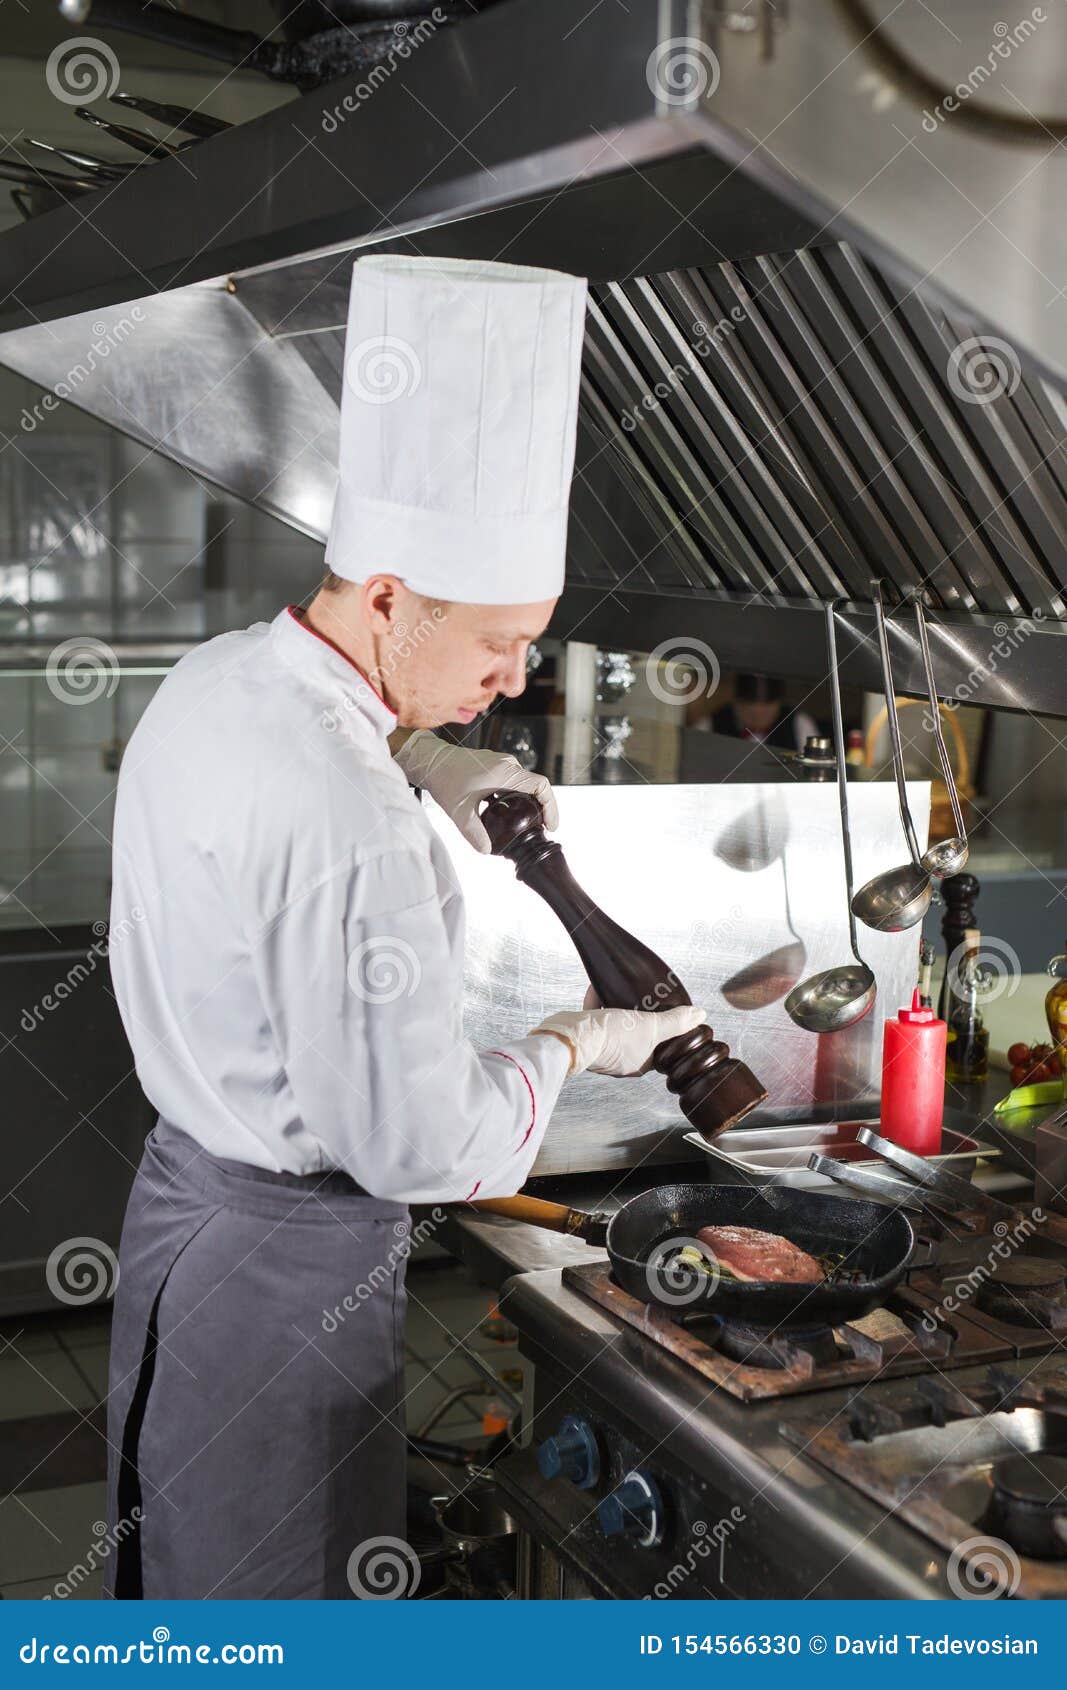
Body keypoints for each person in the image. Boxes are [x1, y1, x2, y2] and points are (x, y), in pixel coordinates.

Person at [103, 254, 705, 1600]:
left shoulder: (221, 678)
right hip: (280, 1273)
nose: (511, 678)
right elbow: (417, 1144)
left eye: (529, 642)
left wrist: (424, 755)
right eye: (496, 640)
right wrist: (574, 1039)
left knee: (189, 1591)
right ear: (385, 597)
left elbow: (315, 746)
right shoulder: (351, 817)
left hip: (185, 1226)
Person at [692, 673, 818, 753]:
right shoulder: (709, 724)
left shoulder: (800, 724)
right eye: (749, 706)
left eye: (767, 706)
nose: (758, 713)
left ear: (779, 703)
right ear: (736, 703)